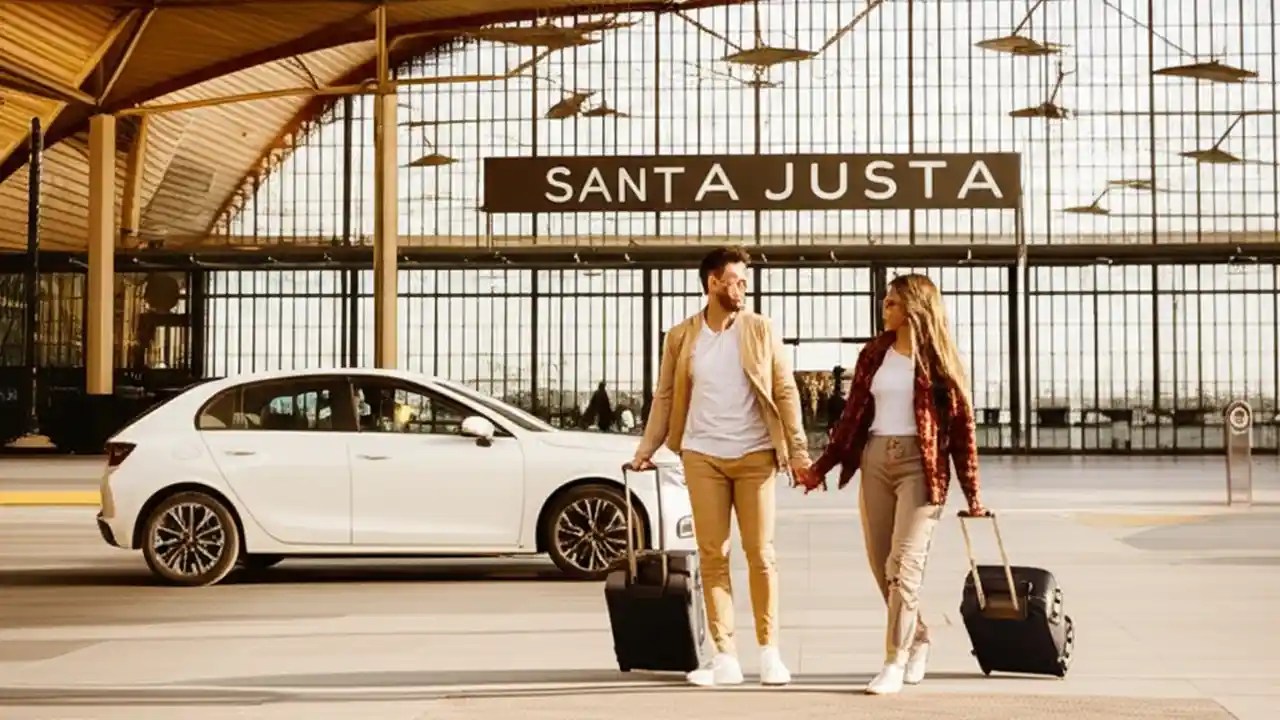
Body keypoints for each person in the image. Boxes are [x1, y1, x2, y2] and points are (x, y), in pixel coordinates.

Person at [797, 273, 988, 696]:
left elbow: (962, 432)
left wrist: (973, 494)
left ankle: (893, 661)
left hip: (921, 467)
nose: (884, 309)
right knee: (881, 565)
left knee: (904, 567)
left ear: (914, 308)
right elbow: (852, 418)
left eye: (891, 303)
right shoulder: (874, 354)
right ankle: (919, 637)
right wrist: (821, 468)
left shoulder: (940, 363)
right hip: (875, 462)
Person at [630, 246, 811, 688]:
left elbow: (784, 389)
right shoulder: (681, 337)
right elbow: (665, 396)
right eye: (736, 281)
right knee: (713, 556)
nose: (743, 288)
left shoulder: (760, 329)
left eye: (746, 281)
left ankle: (769, 652)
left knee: (761, 554)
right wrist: (647, 448)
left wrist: (798, 451)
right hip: (702, 455)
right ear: (713, 283)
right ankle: (724, 656)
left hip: (755, 455)